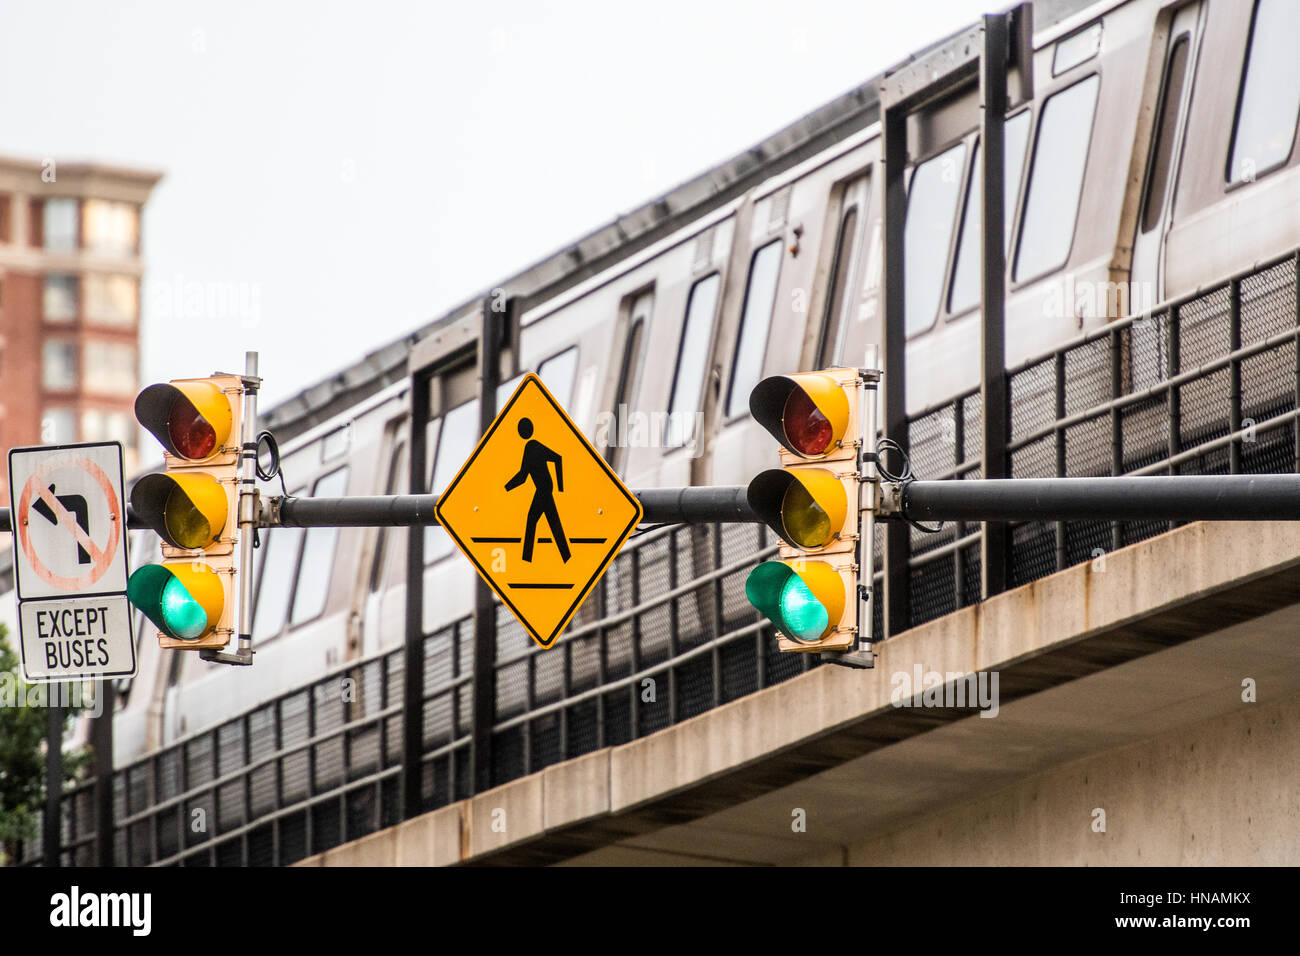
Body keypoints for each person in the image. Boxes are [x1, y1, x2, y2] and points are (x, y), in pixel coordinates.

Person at [504, 417, 571, 563]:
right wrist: (506, 488)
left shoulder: (532, 446)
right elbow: (523, 476)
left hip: (544, 489)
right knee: (553, 522)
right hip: (544, 488)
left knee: (533, 519)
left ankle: (527, 559)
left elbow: (557, 459)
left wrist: (561, 488)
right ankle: (566, 557)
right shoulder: (531, 447)